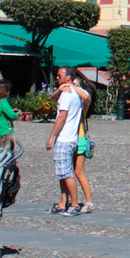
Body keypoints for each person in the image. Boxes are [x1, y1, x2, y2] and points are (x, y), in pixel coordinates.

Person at [47, 66, 84, 216]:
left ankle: (74, 204)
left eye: (59, 75)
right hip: (71, 137)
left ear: (68, 77)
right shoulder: (74, 92)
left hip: (65, 138)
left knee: (67, 173)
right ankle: (63, 202)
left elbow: (62, 116)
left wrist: (51, 136)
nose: (57, 78)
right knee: (62, 173)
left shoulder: (67, 95)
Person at [68, 73, 96, 214]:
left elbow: (87, 98)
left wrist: (72, 86)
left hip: (79, 138)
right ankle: (67, 200)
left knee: (78, 172)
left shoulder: (82, 101)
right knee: (67, 173)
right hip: (68, 138)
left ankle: (89, 202)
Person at [0, 79, 18, 149]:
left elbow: (1, 112)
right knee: (7, 152)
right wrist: (19, 114)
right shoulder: (3, 101)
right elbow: (12, 115)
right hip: (5, 130)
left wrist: (10, 110)